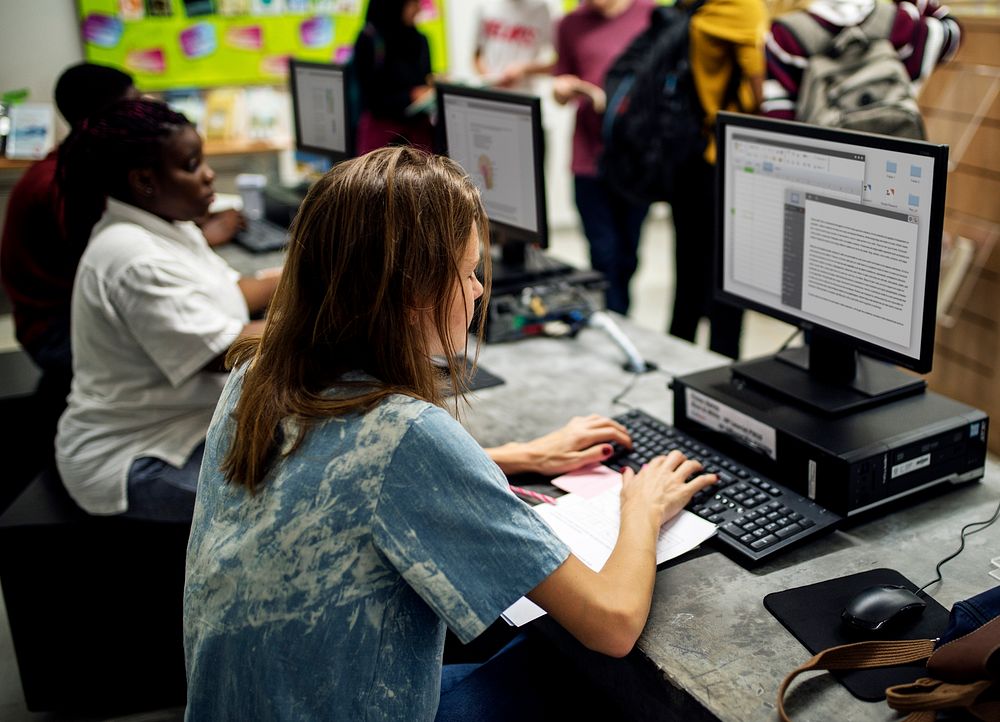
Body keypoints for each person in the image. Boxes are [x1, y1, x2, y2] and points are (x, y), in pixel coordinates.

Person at [183, 146, 717, 720]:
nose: (481, 290)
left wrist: (518, 454)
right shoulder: (405, 435)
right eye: (469, 272)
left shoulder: (256, 370)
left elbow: (339, 473)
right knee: (583, 674)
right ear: (413, 296)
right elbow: (611, 622)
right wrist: (641, 505)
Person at [53, 99, 281, 521]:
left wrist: (316, 271)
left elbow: (233, 291)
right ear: (144, 180)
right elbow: (225, 351)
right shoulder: (132, 257)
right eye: (192, 165)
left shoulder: (165, 225)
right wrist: (341, 309)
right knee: (293, 503)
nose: (209, 174)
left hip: (184, 423)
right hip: (141, 454)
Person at [0, 63, 245, 421]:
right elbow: (131, 276)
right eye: (131, 107)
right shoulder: (68, 189)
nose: (141, 110)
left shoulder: (102, 184)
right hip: (56, 328)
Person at [667, 0, 769, 360]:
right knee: (729, 284)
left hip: (687, 156)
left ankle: (676, 362)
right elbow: (760, 92)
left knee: (687, 277)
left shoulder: (694, 7)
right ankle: (721, 371)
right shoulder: (742, 8)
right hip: (726, 160)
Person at [552, 0, 655, 316]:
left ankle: (621, 316)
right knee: (603, 253)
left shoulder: (651, 16)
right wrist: (564, 87)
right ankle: (613, 320)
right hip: (588, 158)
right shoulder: (570, 24)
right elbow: (559, 87)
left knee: (628, 255)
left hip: (634, 158)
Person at [762, 0, 961, 121]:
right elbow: (952, 35)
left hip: (821, 166)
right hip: (893, 162)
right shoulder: (900, 22)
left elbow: (779, 116)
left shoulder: (786, 33)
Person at [353, 0, 435, 154]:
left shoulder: (420, 40)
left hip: (419, 140)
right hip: (381, 142)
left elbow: (424, 80)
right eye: (413, 3)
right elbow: (371, 99)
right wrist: (409, 96)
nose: (418, 9)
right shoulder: (370, 40)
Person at [473, 0, 556, 91]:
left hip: (524, 95)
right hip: (490, 94)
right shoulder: (485, 6)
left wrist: (524, 69)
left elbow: (557, 64)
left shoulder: (541, 9)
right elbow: (477, 56)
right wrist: (491, 79)